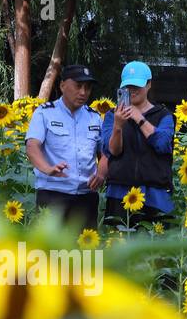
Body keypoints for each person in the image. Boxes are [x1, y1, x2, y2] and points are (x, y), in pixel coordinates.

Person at [25, 64, 106, 231]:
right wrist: (47, 169)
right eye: (78, 86)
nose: (83, 92)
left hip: (86, 197)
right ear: (62, 86)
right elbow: (32, 146)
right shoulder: (44, 113)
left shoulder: (95, 117)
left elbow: (104, 153)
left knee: (86, 253)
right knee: (50, 253)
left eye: (87, 88)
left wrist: (101, 173)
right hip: (53, 195)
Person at [101, 60, 176, 228]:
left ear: (149, 85)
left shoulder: (164, 115)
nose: (132, 91)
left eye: (137, 86)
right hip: (120, 192)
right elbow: (112, 151)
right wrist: (118, 126)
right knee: (118, 246)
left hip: (155, 194)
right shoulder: (112, 116)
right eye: (128, 86)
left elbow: (162, 144)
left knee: (155, 250)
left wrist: (139, 118)